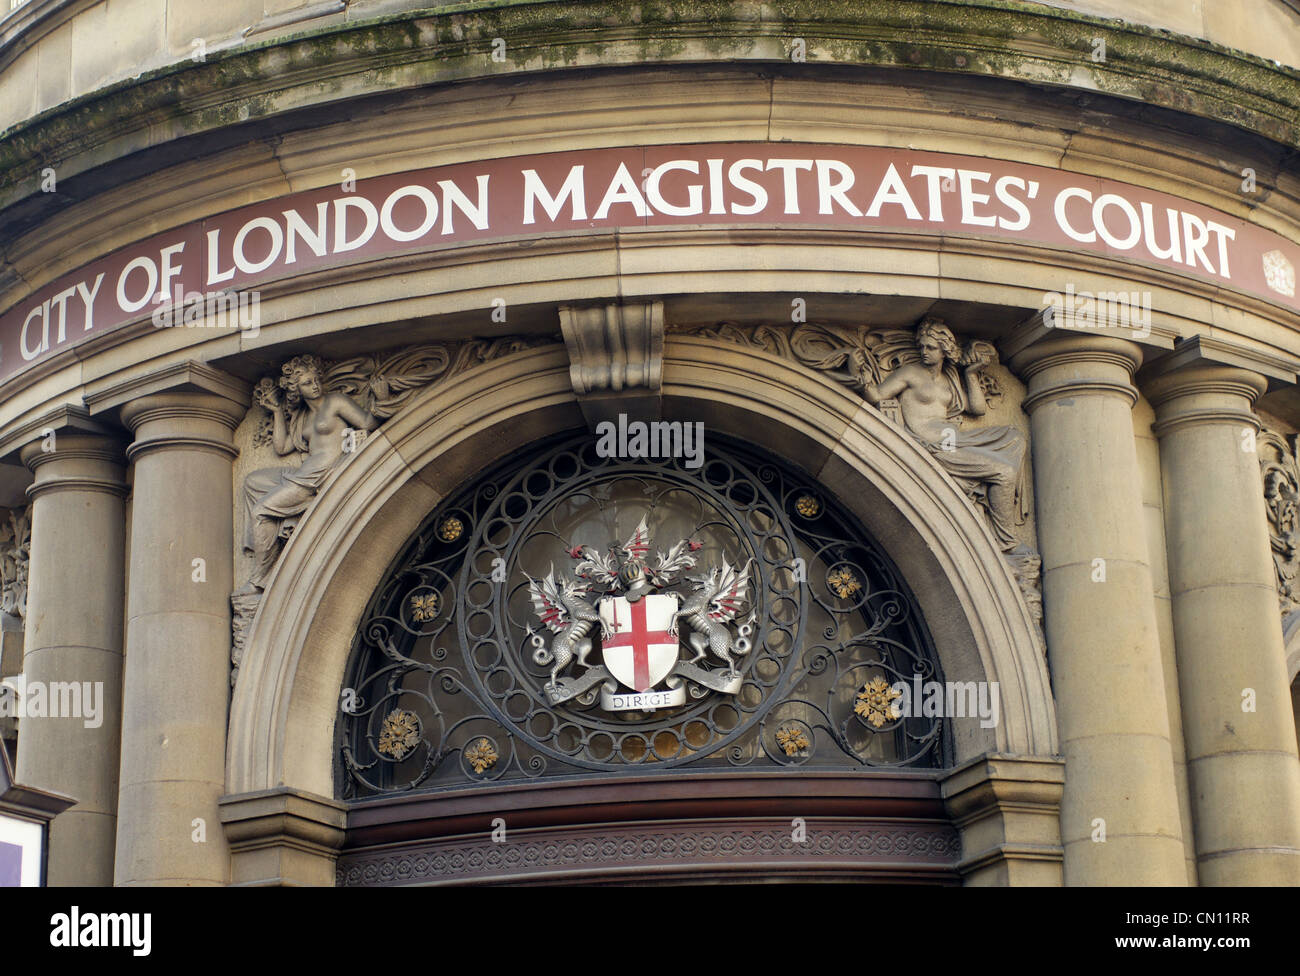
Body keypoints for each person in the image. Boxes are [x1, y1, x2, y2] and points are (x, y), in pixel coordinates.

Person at [861, 318, 1029, 551]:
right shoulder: (910, 373)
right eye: (921, 347)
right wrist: (861, 376)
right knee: (1004, 472)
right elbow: (877, 395)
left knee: (1014, 436)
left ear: (945, 350)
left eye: (930, 348)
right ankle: (1006, 541)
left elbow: (977, 409)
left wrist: (970, 373)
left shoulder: (949, 377)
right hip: (934, 445)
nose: (924, 352)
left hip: (955, 439)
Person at [236, 354, 379, 592]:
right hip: (304, 472)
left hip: (320, 475)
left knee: (262, 510)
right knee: (252, 481)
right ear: (297, 389)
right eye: (307, 383)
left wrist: (382, 397)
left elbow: (367, 423)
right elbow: (282, 448)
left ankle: (260, 579)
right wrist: (276, 411)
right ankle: (269, 547)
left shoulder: (335, 402)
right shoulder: (303, 417)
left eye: (315, 380)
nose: (314, 386)